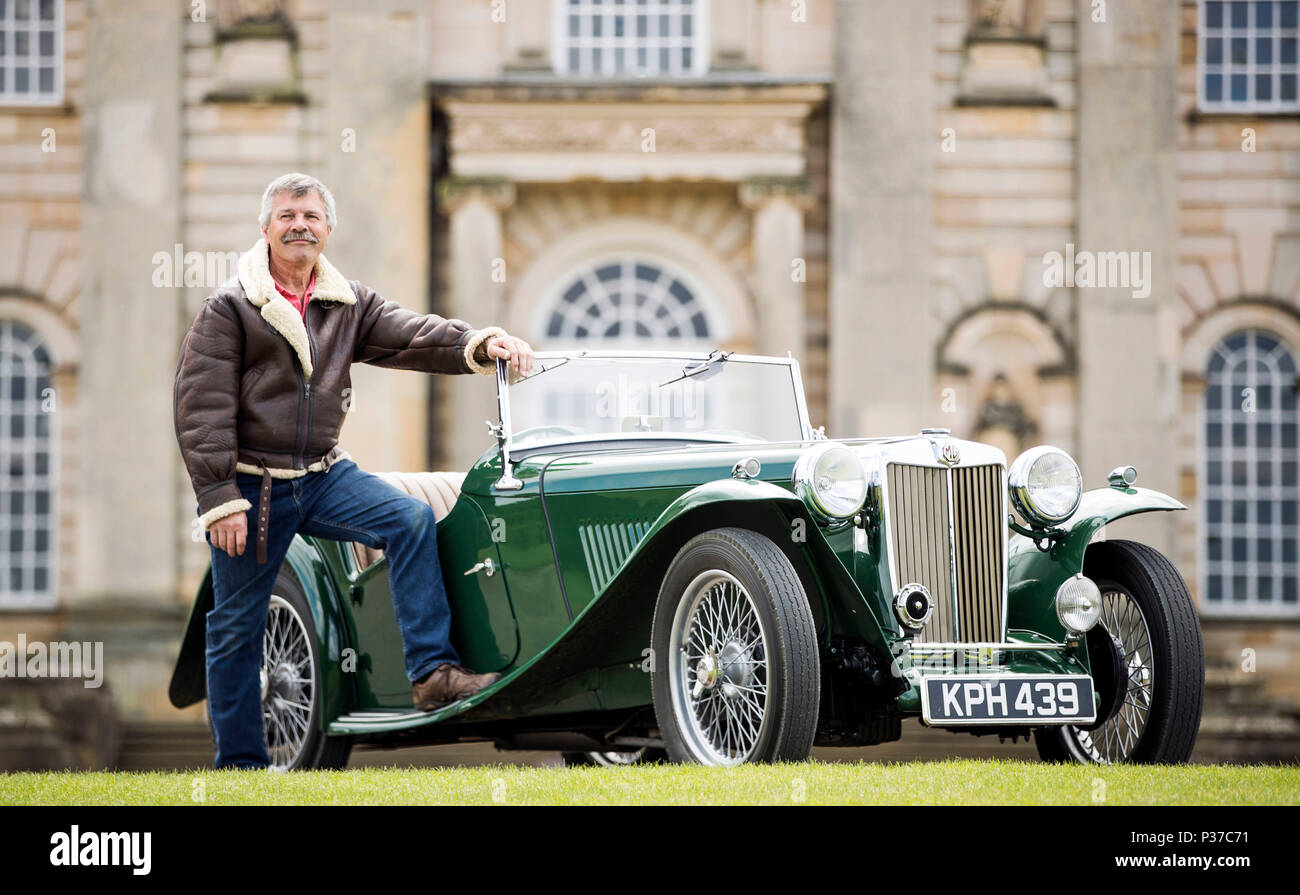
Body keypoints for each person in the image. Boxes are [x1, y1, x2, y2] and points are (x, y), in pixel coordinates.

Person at [173, 172, 535, 769]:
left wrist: (478, 343)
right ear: (265, 228)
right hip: (250, 486)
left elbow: (412, 336)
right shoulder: (231, 308)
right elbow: (200, 406)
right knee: (238, 623)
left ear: (327, 230)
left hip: (322, 476)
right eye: (287, 215)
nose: (300, 226)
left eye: (311, 217)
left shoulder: (347, 303)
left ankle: (432, 674)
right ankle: (239, 764)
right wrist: (218, 495)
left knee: (411, 519)